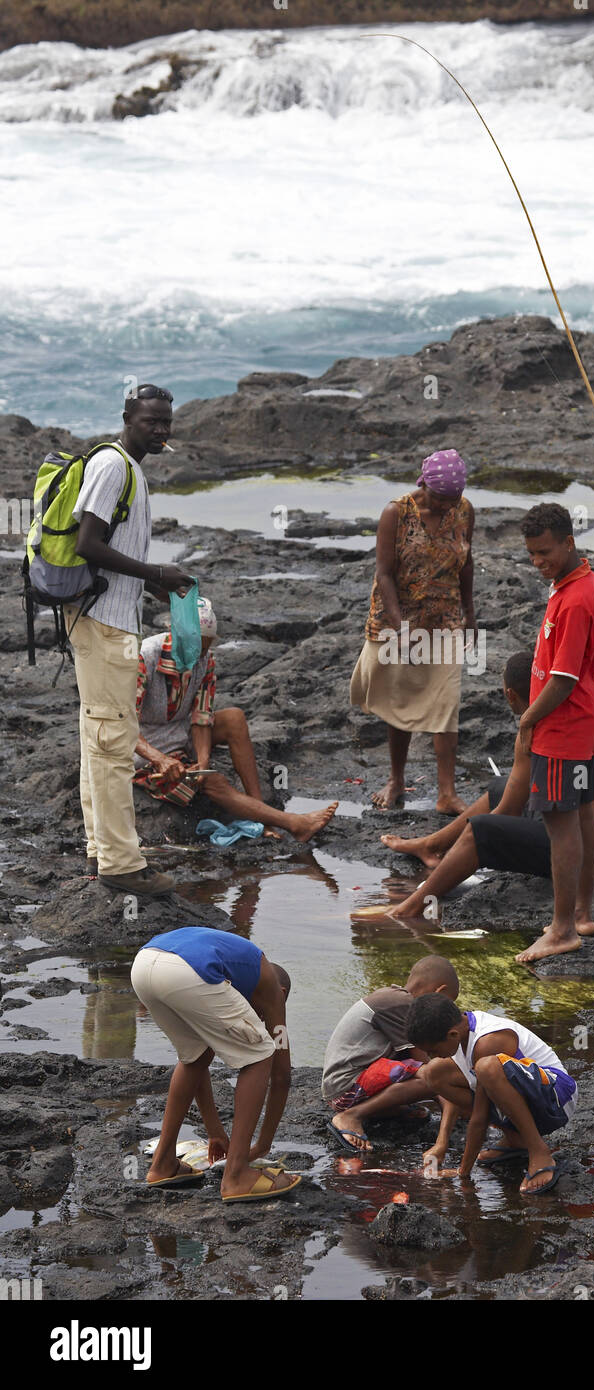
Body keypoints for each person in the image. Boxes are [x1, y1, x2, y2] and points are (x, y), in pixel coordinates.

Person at [353, 650, 594, 922]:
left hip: (587, 853)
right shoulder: (567, 713)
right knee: (501, 787)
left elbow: (506, 815)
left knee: (482, 831)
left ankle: (409, 909)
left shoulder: (537, 729)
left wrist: (463, 850)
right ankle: (432, 845)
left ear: (510, 695)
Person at [66, 384, 194, 897]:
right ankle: (122, 865)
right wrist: (155, 572)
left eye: (166, 421)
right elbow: (88, 544)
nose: (161, 430)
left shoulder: (132, 470)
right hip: (104, 624)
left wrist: (153, 581)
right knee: (113, 742)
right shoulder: (114, 466)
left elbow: (110, 552)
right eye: (151, 422)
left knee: (98, 740)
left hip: (110, 619)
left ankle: (103, 852)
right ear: (127, 418)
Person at [132, 595, 338, 842]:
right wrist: (161, 760)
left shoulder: (205, 660)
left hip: (179, 730)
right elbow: (121, 724)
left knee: (234, 718)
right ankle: (293, 823)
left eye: (204, 648)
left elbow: (202, 716)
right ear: (174, 634)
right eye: (192, 647)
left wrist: (203, 760)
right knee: (213, 782)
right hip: (143, 744)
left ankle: (260, 812)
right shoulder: (144, 658)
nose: (197, 655)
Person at [350, 449, 475, 814]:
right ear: (425, 486)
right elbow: (384, 573)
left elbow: (467, 564)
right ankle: (396, 779)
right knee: (399, 701)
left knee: (446, 702)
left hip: (445, 619)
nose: (446, 506)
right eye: (440, 499)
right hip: (399, 620)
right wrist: (401, 626)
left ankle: (447, 793)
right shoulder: (396, 513)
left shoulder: (464, 510)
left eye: (452, 500)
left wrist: (471, 613)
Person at [130, 926, 296, 1202]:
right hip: (185, 970)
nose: (261, 1016)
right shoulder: (271, 988)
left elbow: (199, 1061)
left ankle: (163, 1165)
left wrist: (215, 1132)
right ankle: (237, 1176)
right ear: (281, 992)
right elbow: (281, 1075)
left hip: (145, 963)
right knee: (260, 1052)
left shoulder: (233, 973)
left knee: (193, 1055)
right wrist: (263, 1144)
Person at [514, 503, 594, 964]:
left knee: (561, 824)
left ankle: (562, 928)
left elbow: (564, 677)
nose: (538, 561)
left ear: (569, 542)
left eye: (545, 551)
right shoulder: (580, 582)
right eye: (532, 553)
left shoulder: (574, 598)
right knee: (582, 814)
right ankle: (582, 912)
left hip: (564, 724)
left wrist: (528, 719)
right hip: (581, 720)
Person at [406, 994, 577, 1195]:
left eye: (433, 1050)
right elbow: (456, 1099)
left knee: (487, 1068)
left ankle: (539, 1151)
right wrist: (441, 1143)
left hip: (557, 1099)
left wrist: (463, 1172)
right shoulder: (461, 1033)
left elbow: (480, 1117)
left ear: (452, 1035)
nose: (430, 1055)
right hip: (532, 1101)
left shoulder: (487, 1042)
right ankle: (516, 1140)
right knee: (433, 1072)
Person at [324, 954, 460, 1153]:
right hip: (345, 1086)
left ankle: (385, 1109)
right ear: (439, 993)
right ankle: (351, 1116)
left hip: (345, 1084)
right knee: (431, 1078)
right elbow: (426, 1066)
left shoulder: (394, 995)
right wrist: (451, 1098)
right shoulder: (404, 1005)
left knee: (428, 1078)